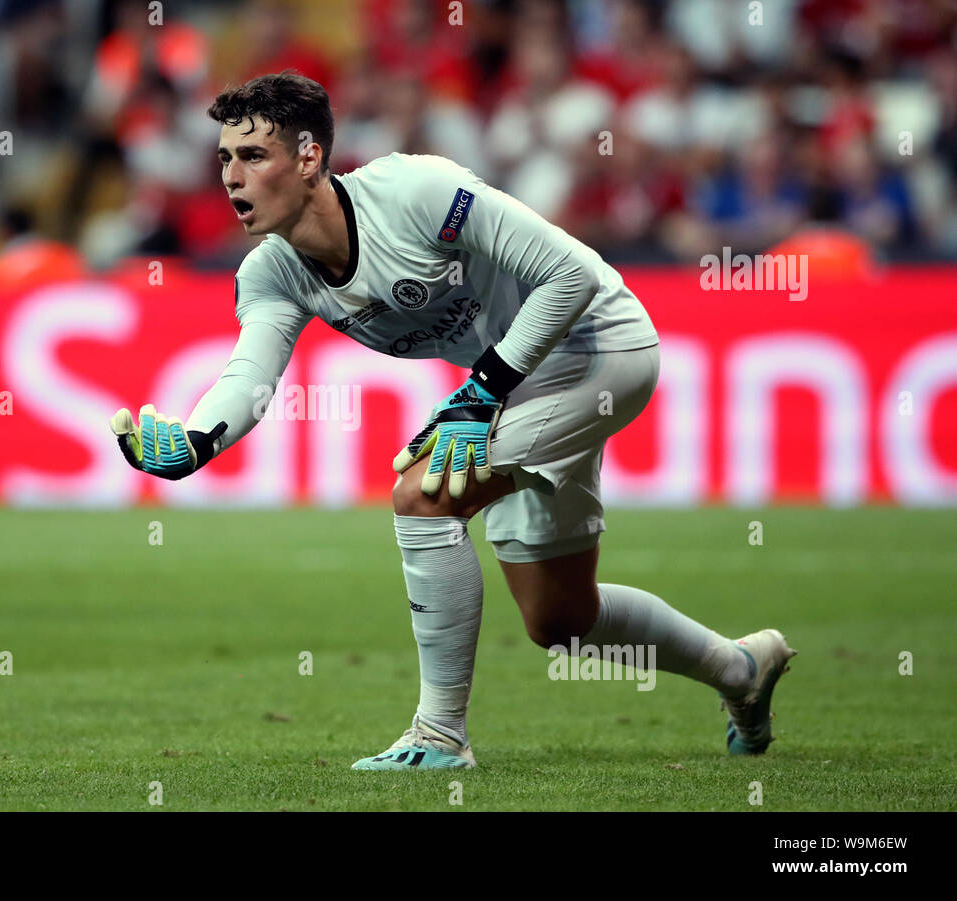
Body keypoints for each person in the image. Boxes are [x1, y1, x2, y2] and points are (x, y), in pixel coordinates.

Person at [110, 73, 796, 769]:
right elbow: (250, 374)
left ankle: (439, 734)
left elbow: (572, 275)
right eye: (224, 158)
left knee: (421, 495)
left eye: (253, 156)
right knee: (560, 620)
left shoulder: (416, 192)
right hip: (521, 386)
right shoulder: (271, 273)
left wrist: (483, 390)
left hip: (599, 349)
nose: (232, 176)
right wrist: (197, 439)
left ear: (310, 156)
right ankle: (741, 668)